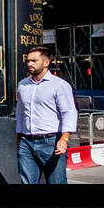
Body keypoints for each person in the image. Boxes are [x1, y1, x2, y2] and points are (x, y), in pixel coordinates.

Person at [16, 45, 77, 185]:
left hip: (51, 142)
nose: (29, 64)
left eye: (34, 60)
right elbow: (20, 113)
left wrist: (64, 138)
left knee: (56, 182)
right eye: (28, 60)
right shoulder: (23, 85)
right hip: (26, 142)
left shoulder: (59, 85)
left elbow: (68, 112)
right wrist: (19, 139)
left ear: (46, 63)